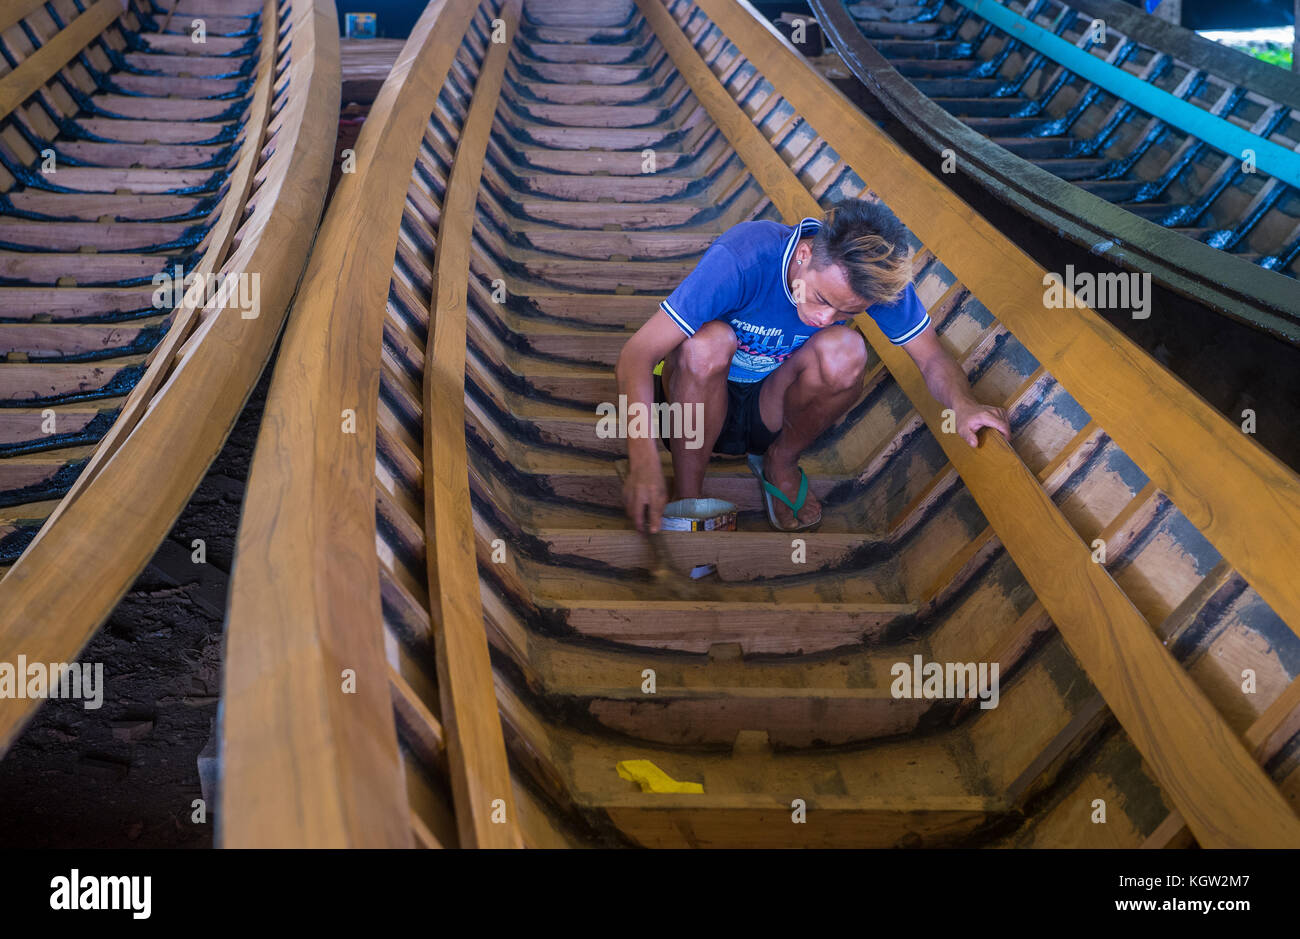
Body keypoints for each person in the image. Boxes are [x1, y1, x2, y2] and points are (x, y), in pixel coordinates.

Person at [614, 198, 1010, 533]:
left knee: (846, 349)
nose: (824, 317)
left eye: (845, 309)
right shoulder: (744, 256)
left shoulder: (872, 280)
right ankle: (689, 497)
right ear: (804, 254)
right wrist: (643, 458)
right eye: (821, 298)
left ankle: (779, 462)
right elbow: (637, 354)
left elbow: (932, 356)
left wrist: (963, 405)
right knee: (708, 344)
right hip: (688, 404)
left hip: (767, 406)